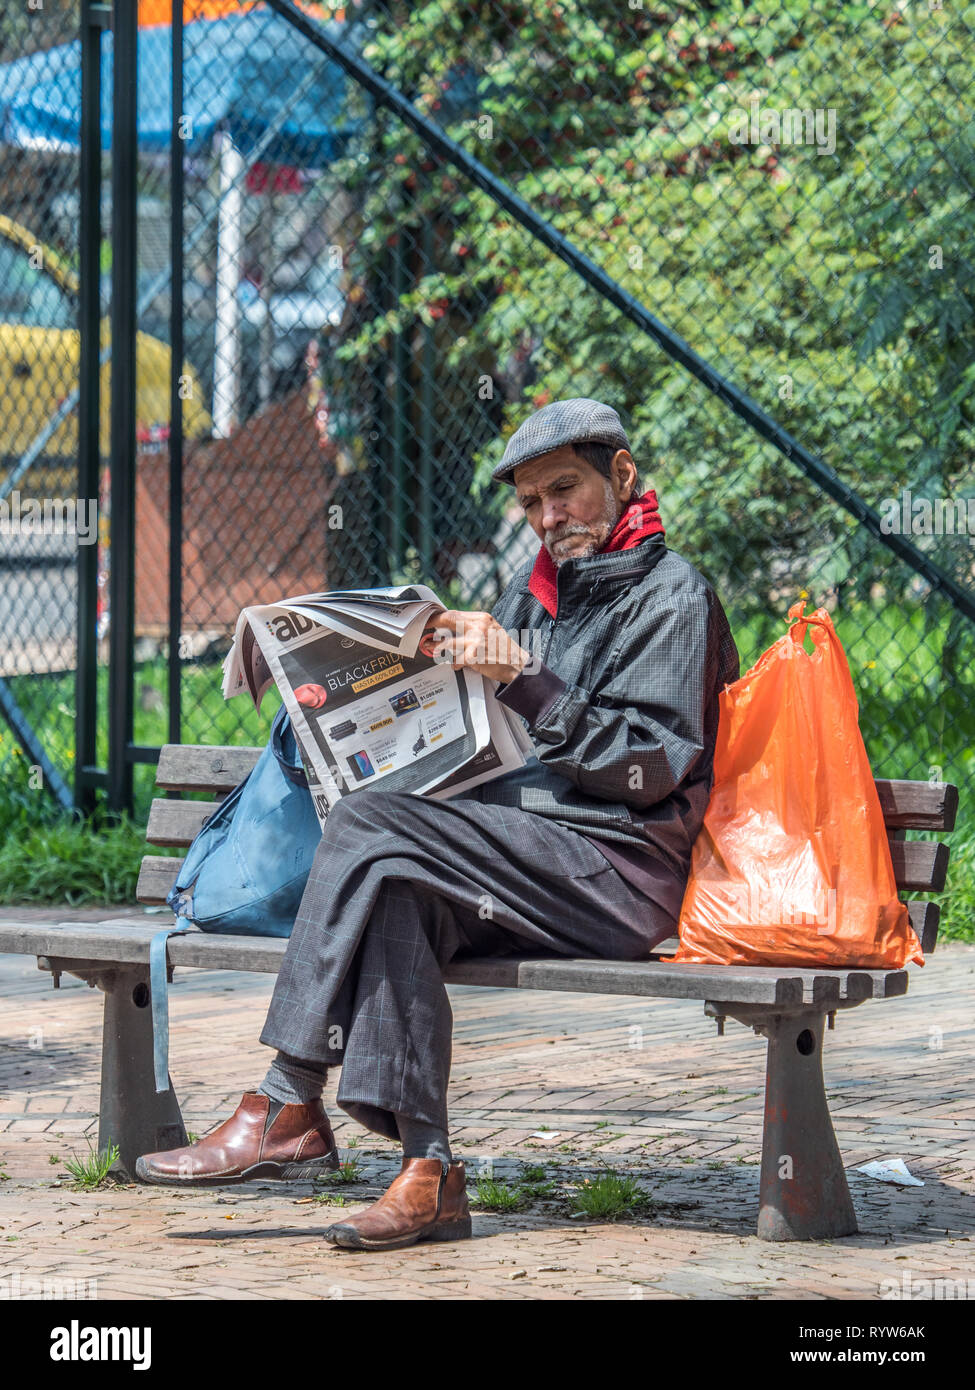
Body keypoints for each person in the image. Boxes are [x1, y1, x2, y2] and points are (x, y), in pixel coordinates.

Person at [136, 397, 740, 1252]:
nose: (548, 517)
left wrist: (525, 680)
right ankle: (430, 1174)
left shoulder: (673, 598)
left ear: (623, 475)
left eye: (564, 490)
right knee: (394, 886)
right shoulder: (526, 597)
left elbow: (645, 772)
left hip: (619, 872)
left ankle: (285, 1095)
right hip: (522, 851)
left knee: (374, 829)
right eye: (530, 503)